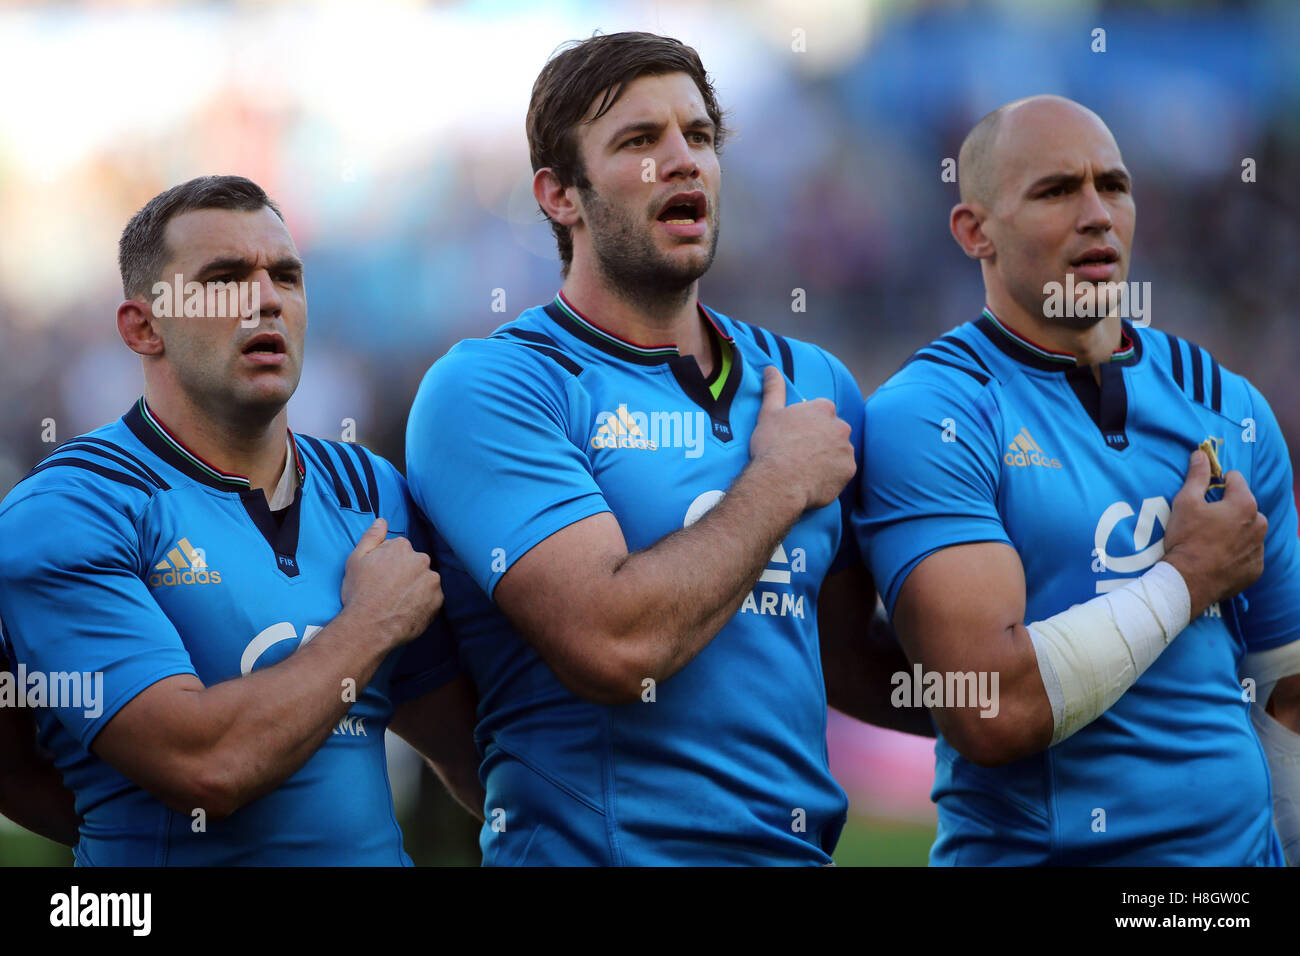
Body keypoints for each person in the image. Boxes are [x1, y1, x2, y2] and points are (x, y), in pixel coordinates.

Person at [404, 31, 915, 865]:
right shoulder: (493, 389)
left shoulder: (816, 383)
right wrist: (777, 482)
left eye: (699, 137)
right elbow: (616, 646)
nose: (682, 161)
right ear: (560, 194)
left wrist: (1078, 691)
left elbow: (848, 656)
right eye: (640, 141)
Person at [855, 95, 1300, 865]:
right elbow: (988, 709)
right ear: (974, 231)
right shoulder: (933, 415)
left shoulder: (1230, 405)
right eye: (1057, 191)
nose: (1096, 213)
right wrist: (1184, 580)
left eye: (1114, 186)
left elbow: (1286, 692)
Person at [0, 175, 482, 864]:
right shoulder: (70, 512)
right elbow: (205, 770)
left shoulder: (372, 490)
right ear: (143, 327)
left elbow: (472, 751)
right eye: (225, 278)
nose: (266, 299)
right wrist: (368, 627)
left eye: (287, 276)